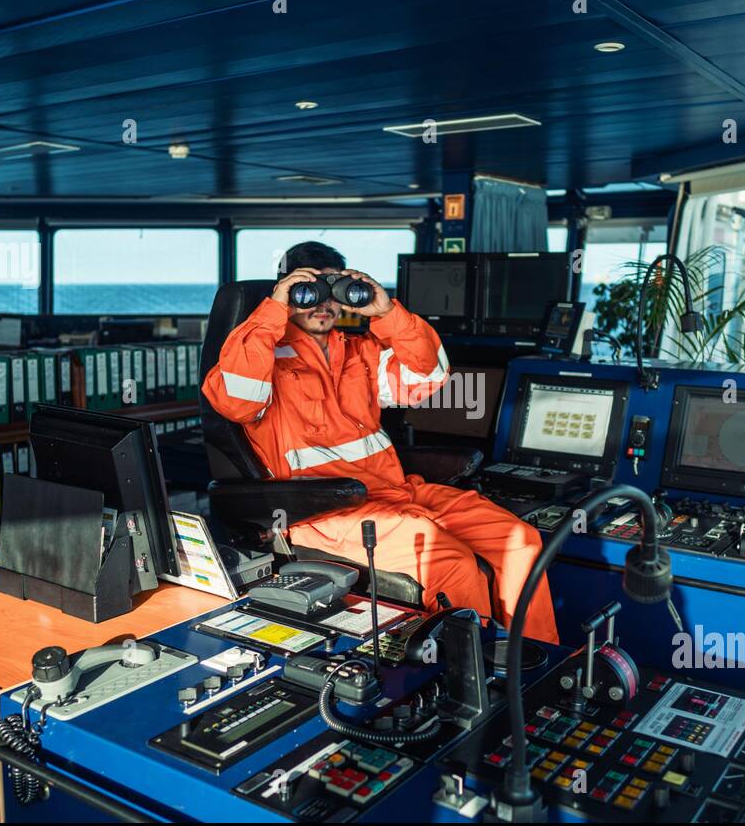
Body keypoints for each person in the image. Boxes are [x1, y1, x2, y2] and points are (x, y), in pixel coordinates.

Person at [202, 241, 558, 641]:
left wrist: (388, 314)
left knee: (521, 539)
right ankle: (469, 684)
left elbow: (427, 379)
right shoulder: (261, 355)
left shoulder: (361, 352)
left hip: (398, 493)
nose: (322, 304)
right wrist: (272, 311)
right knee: (453, 562)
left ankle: (532, 661)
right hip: (327, 512)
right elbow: (234, 401)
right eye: (308, 291)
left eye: (332, 290)